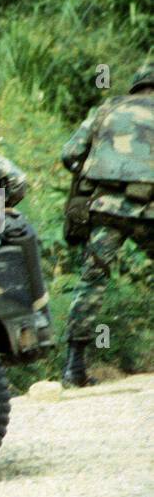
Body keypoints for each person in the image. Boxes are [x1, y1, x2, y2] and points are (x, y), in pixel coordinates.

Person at [58, 59, 154, 387]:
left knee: (92, 282)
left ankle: (73, 368)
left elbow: (70, 154)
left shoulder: (106, 109)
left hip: (106, 210)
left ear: (136, 84)